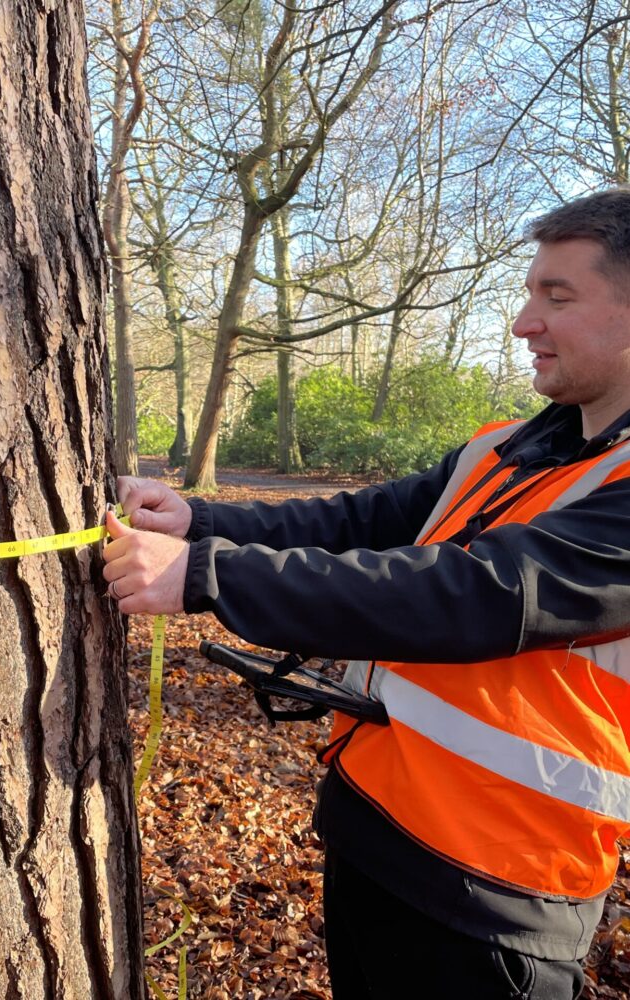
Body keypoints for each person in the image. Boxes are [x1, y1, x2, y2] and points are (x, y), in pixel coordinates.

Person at [102, 187, 630, 1000]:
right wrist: (200, 518)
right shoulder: (514, 445)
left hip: (498, 892)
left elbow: (477, 593)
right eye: (529, 293)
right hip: (376, 833)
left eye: (555, 297)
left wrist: (204, 574)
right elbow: (366, 520)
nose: (525, 322)